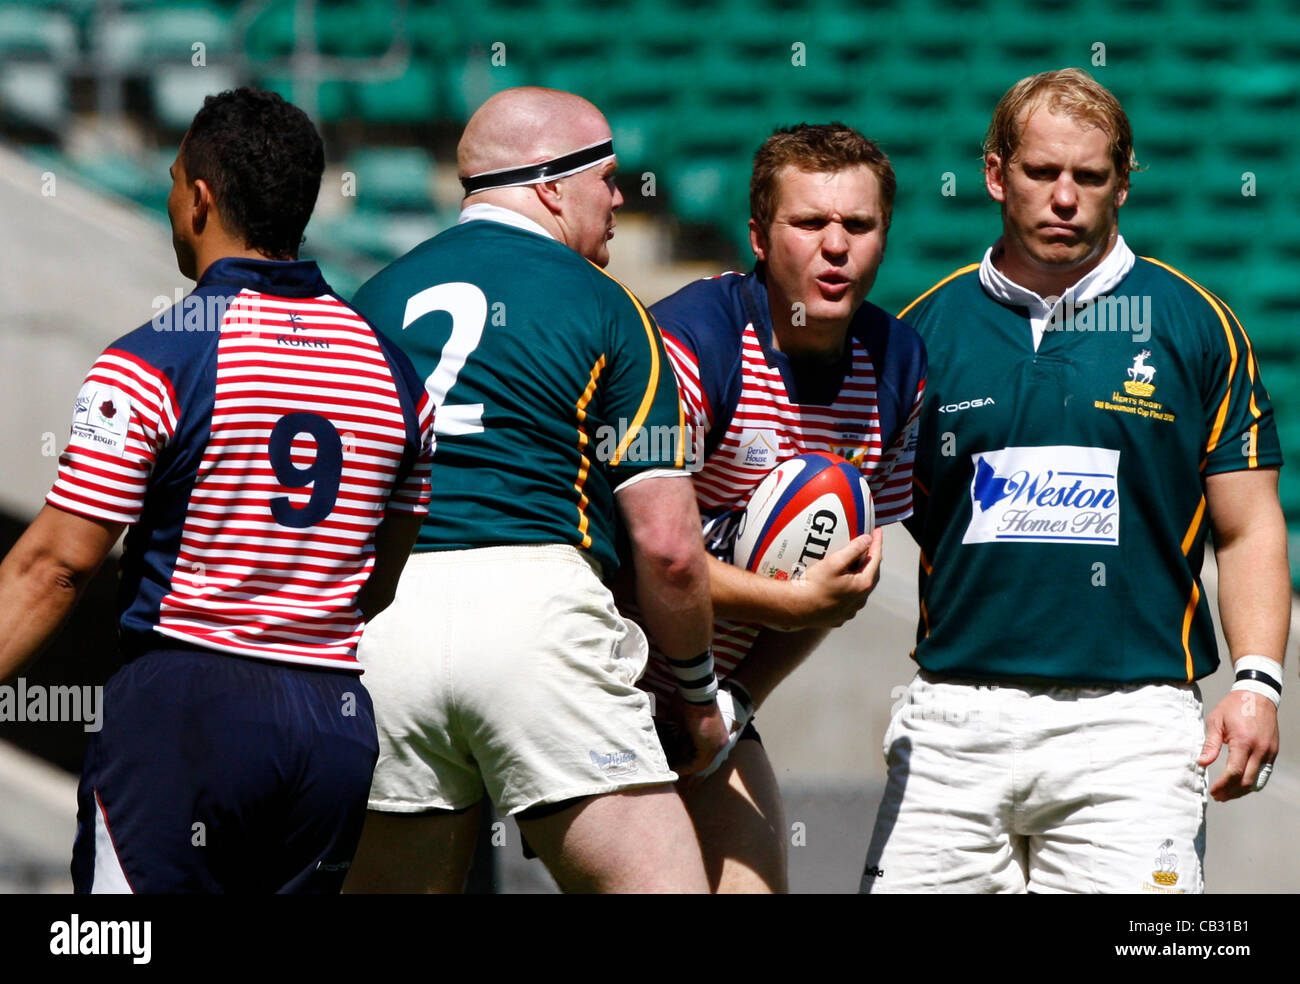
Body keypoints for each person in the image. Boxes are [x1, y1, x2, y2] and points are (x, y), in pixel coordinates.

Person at [863, 68, 1287, 894]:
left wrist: (1258, 683)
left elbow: (1249, 526)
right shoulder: (924, 332)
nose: (1066, 197)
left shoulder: (1196, 326)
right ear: (994, 174)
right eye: (1041, 172)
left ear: (1122, 183)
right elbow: (867, 507)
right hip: (953, 721)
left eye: (1090, 177)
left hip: (1132, 726)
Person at [0, 87, 435, 893]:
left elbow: (58, 565)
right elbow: (379, 579)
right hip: (331, 726)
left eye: (172, 180)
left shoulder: (156, 358)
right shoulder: (397, 374)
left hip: (187, 713)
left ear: (199, 199)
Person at [342, 87, 728, 894]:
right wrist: (693, 694)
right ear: (551, 185)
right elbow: (669, 547)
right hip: (534, 613)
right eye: (609, 178)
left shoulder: (367, 301)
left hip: (382, 632)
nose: (622, 199)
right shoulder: (612, 307)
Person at [628, 123, 926, 893]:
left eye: (858, 225)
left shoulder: (898, 367)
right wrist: (788, 602)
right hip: (606, 679)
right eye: (809, 224)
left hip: (710, 693)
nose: (836, 246)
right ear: (759, 236)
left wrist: (732, 699)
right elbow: (637, 554)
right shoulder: (691, 344)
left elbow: (834, 584)